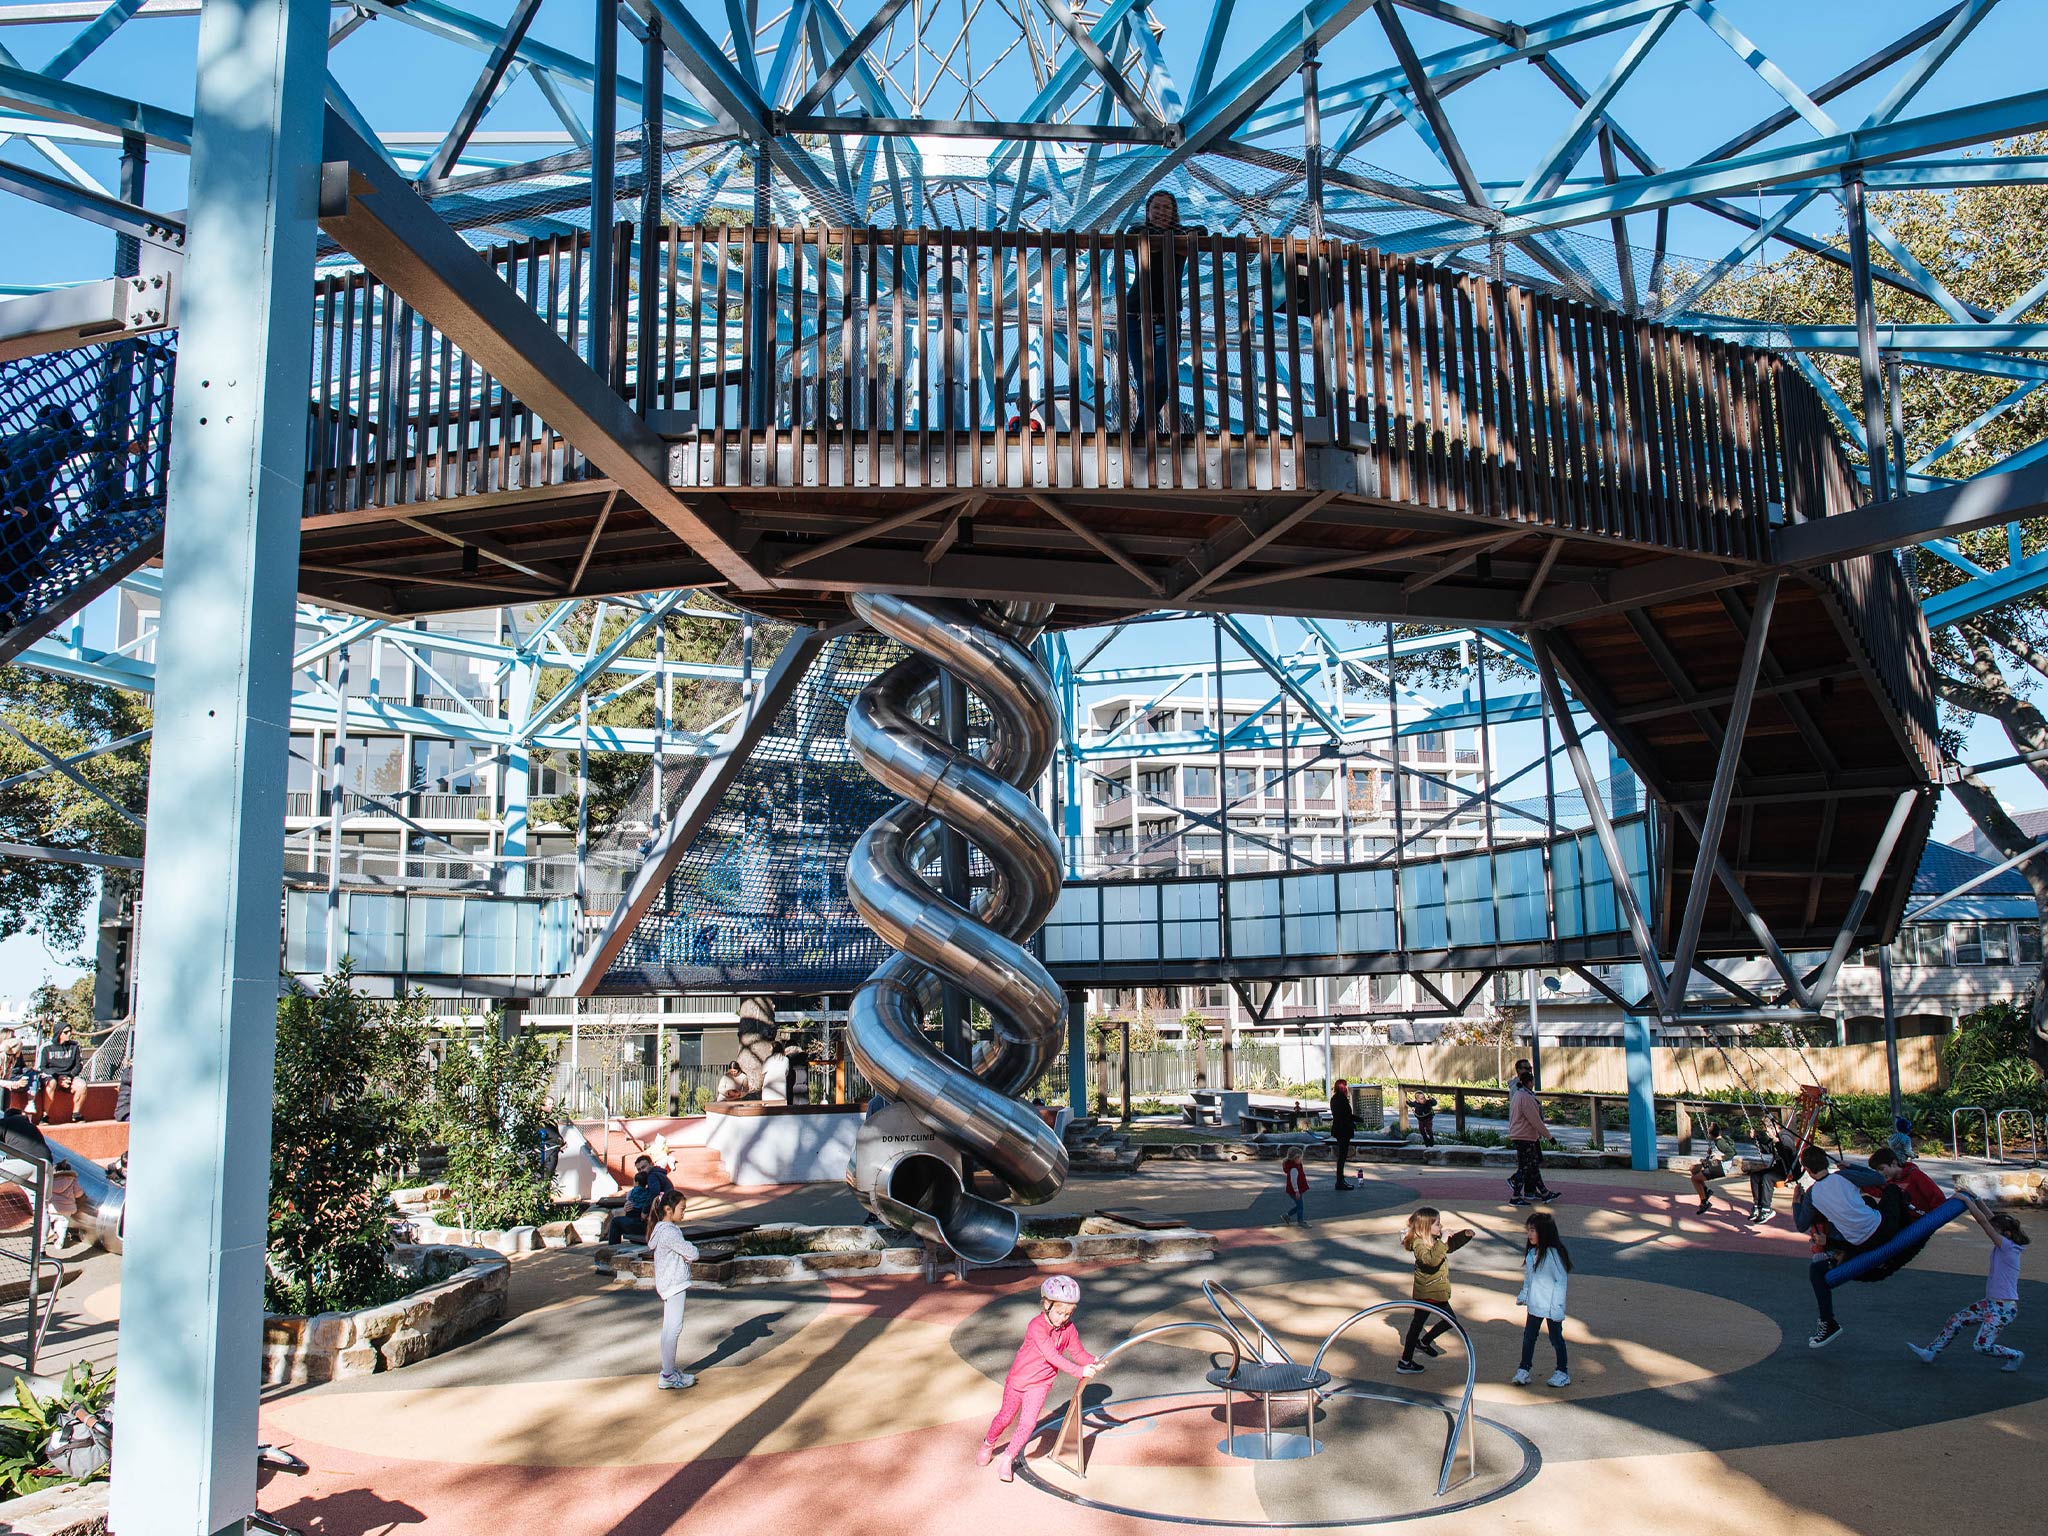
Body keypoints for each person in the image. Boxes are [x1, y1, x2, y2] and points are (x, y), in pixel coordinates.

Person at [978, 1275, 1100, 1483]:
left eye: (1069, 1313)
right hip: (1018, 1381)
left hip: (1040, 1384)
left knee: (1028, 1422)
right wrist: (1079, 1372)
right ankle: (988, 1443)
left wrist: (1094, 1360)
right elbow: (1051, 1355)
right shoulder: (1037, 1326)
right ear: (1046, 1304)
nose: (1064, 1318)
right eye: (1060, 1312)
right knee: (1005, 1418)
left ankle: (1008, 1458)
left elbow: (1078, 1354)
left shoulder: (1069, 1329)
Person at [1804, 1144, 1909, 1348]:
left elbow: (1802, 1224)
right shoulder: (1842, 1179)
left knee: (1817, 1269)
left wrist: (1796, 1202)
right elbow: (1879, 1180)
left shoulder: (1814, 1195)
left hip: (1862, 1241)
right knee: (1883, 1195)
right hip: (1871, 1236)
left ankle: (1827, 1321)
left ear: (1808, 1171)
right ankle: (1828, 1322)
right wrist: (1852, 1167)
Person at [1909, 1192, 2026, 1371]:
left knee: (1982, 1346)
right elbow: (1992, 1219)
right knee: (1956, 1320)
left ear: (2006, 1233)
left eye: (1996, 1231)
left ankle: (2015, 1355)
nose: (1991, 1232)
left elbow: (1984, 1223)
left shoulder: (2008, 1248)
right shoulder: (2006, 1242)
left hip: (2003, 1308)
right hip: (1990, 1304)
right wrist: (1977, 1199)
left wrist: (1966, 1201)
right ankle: (1931, 1352)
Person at [1120, 191, 1206, 434]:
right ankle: (1145, 430)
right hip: (1136, 317)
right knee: (1146, 382)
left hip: (1167, 320)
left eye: (1166, 208)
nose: (1160, 212)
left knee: (1162, 381)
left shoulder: (1180, 235)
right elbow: (1147, 237)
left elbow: (1202, 231)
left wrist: (1174, 243)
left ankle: (1140, 432)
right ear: (1148, 211)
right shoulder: (1138, 231)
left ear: (1174, 213)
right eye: (1156, 207)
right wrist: (1177, 244)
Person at [1397, 1207, 1474, 1374]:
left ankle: (1417, 1348)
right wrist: (1442, 1240)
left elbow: (1448, 1247)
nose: (1441, 1226)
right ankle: (1407, 1359)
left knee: (1423, 1324)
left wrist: (1464, 1236)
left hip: (1436, 1291)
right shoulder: (1418, 1243)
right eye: (1437, 1224)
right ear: (1426, 1227)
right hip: (1428, 1293)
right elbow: (1431, 1260)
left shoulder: (1434, 1238)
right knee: (1444, 1320)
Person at [1513, 1211, 1573, 1388]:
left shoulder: (1554, 1255)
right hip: (1535, 1305)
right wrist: (1524, 1295)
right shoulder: (1532, 1254)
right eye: (1529, 1230)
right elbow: (1528, 1278)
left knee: (1556, 1338)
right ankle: (1524, 1369)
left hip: (1551, 1306)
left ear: (1544, 1232)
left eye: (1533, 1230)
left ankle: (1562, 1371)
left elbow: (1560, 1282)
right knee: (1529, 1337)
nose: (1529, 1234)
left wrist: (1557, 1308)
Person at [650, 1190, 700, 1390]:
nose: (684, 1213)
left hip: (668, 1282)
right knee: (674, 1328)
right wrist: (690, 1253)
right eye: (682, 1209)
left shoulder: (661, 1229)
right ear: (668, 1210)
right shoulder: (669, 1232)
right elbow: (692, 1253)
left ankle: (668, 1370)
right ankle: (668, 1375)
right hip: (674, 1282)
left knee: (669, 1328)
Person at [1507, 1062, 1557, 1207]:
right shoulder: (1526, 1097)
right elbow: (1535, 1119)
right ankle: (1515, 1195)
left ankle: (1544, 1193)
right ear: (1529, 1082)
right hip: (1525, 1136)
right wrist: (1549, 1136)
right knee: (1525, 1167)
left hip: (1521, 1134)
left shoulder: (1518, 1094)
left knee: (1532, 1165)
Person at [1747, 1109, 1801, 1225]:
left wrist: (1778, 1143)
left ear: (1774, 1128)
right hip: (1779, 1167)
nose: (1767, 1134)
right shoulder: (1774, 1138)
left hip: (1790, 1169)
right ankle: (1757, 1205)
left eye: (1768, 1131)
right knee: (1755, 1176)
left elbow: (1789, 1155)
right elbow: (1767, 1151)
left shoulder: (1784, 1137)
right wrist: (1757, 1138)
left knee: (1767, 1177)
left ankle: (1766, 1209)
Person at [1868, 1146, 1945, 1218]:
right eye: (1877, 1171)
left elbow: (1936, 1195)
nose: (1880, 1173)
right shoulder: (1889, 1181)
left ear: (1894, 1163)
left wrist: (1934, 1218)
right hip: (1903, 1219)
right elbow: (1878, 1192)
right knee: (1868, 1201)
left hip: (1921, 1217)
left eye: (1881, 1169)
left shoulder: (1914, 1175)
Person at [1688, 1120, 1740, 1214]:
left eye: (1708, 1133)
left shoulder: (1720, 1142)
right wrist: (1709, 1156)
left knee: (1694, 1179)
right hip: (1715, 1164)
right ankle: (1705, 1191)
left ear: (1712, 1135)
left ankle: (1704, 1202)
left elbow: (1732, 1152)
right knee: (1693, 1169)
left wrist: (1721, 1157)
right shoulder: (1716, 1141)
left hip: (1720, 1167)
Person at [36, 1024, 82, 1124]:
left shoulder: (75, 1046)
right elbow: (41, 1067)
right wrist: (57, 1077)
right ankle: (45, 1116)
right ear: (59, 1033)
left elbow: (79, 1065)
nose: (69, 1034)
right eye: (66, 1032)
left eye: (70, 1031)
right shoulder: (46, 1047)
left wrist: (69, 1077)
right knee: (51, 1083)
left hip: (69, 1076)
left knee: (82, 1085)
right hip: (52, 1076)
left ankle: (76, 1114)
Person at [1328, 1078, 1356, 1190]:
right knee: (1342, 1156)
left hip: (1339, 1129)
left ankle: (1340, 1179)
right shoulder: (1342, 1099)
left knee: (1342, 1155)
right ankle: (1340, 1181)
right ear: (1342, 1087)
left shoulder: (1334, 1098)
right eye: (1346, 1086)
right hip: (1343, 1130)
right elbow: (1345, 1115)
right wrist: (1358, 1119)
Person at [1281, 1149, 1308, 1226]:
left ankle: (1286, 1215)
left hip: (1295, 1190)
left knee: (1300, 1206)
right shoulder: (1294, 1169)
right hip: (1295, 1191)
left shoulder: (1296, 1165)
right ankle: (1300, 1221)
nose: (1302, 1159)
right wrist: (1296, 1191)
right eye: (1300, 1158)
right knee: (1300, 1206)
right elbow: (1293, 1181)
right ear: (1295, 1158)